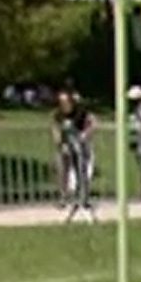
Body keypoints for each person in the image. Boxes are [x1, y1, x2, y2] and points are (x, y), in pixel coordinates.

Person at [50, 88, 96, 216]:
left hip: (79, 145)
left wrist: (85, 135)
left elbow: (92, 122)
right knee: (61, 170)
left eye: (66, 101)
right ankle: (63, 197)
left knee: (81, 170)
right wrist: (59, 141)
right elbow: (55, 127)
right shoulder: (58, 114)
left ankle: (83, 198)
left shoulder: (80, 112)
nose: (64, 105)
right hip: (65, 146)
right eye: (61, 102)